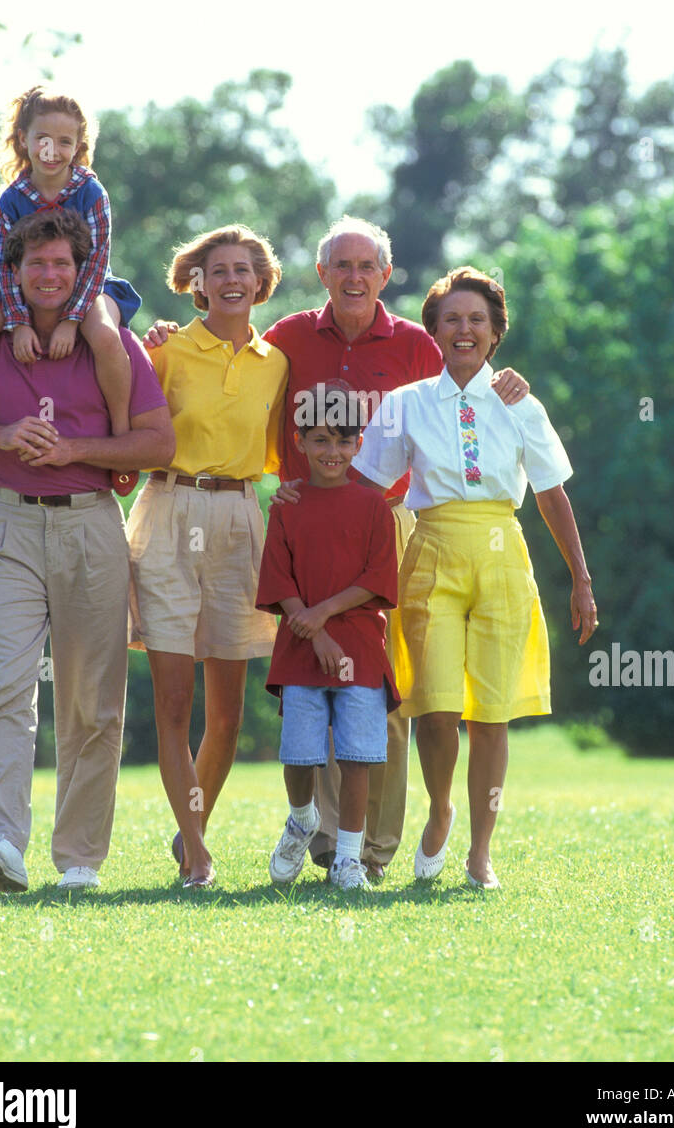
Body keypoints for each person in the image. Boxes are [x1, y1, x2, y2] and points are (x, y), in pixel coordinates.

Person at [149, 216, 531, 878]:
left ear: (385, 276)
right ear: (321, 274)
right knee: (311, 681)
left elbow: (469, 374)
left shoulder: (416, 343)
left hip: (392, 524)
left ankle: (373, 849)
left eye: (367, 267)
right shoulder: (289, 338)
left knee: (383, 692)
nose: (354, 277)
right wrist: (162, 337)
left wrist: (509, 383)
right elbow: (230, 376)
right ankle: (327, 841)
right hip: (305, 522)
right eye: (341, 266)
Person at [0, 209, 174, 892]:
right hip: (9, 527)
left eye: (62, 264)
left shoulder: (112, 343)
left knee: (92, 698)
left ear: (81, 271)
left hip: (92, 523)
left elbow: (158, 444)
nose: (49, 275)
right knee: (7, 682)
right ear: (13, 272)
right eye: (35, 264)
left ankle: (80, 860)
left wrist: (76, 449)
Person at [351, 266, 597, 889]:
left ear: (495, 335)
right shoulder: (404, 403)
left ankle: (479, 851)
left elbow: (551, 493)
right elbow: (363, 492)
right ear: (434, 331)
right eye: (453, 319)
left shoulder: (521, 403)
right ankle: (439, 809)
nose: (465, 329)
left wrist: (582, 580)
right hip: (431, 555)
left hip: (502, 559)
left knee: (491, 716)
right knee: (433, 709)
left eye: (477, 320)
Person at [127, 226, 288, 889]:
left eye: (243, 270)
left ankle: (192, 827)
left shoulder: (275, 362)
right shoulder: (164, 351)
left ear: (260, 282)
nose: (230, 280)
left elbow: (282, 451)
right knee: (173, 702)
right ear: (197, 282)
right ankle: (198, 855)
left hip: (238, 516)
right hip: (168, 509)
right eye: (216, 270)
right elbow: (124, 418)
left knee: (226, 713)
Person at [0, 85, 141, 495]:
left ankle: (120, 438)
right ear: (23, 141)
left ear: (79, 145)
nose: (52, 150)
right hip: (20, 289)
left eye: (65, 142)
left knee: (102, 334)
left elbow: (97, 261)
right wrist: (17, 323)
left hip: (88, 286)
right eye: (42, 139)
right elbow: (5, 265)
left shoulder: (91, 192)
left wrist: (70, 320)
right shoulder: (12, 198)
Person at [256, 384, 399, 891]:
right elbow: (278, 582)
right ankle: (301, 820)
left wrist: (322, 616)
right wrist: (312, 629)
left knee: (358, 757)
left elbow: (378, 580)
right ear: (300, 443)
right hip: (299, 652)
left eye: (342, 441)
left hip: (359, 651)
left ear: (359, 444)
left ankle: (348, 859)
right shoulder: (287, 506)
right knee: (300, 754)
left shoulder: (374, 508)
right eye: (320, 440)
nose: (331, 452)